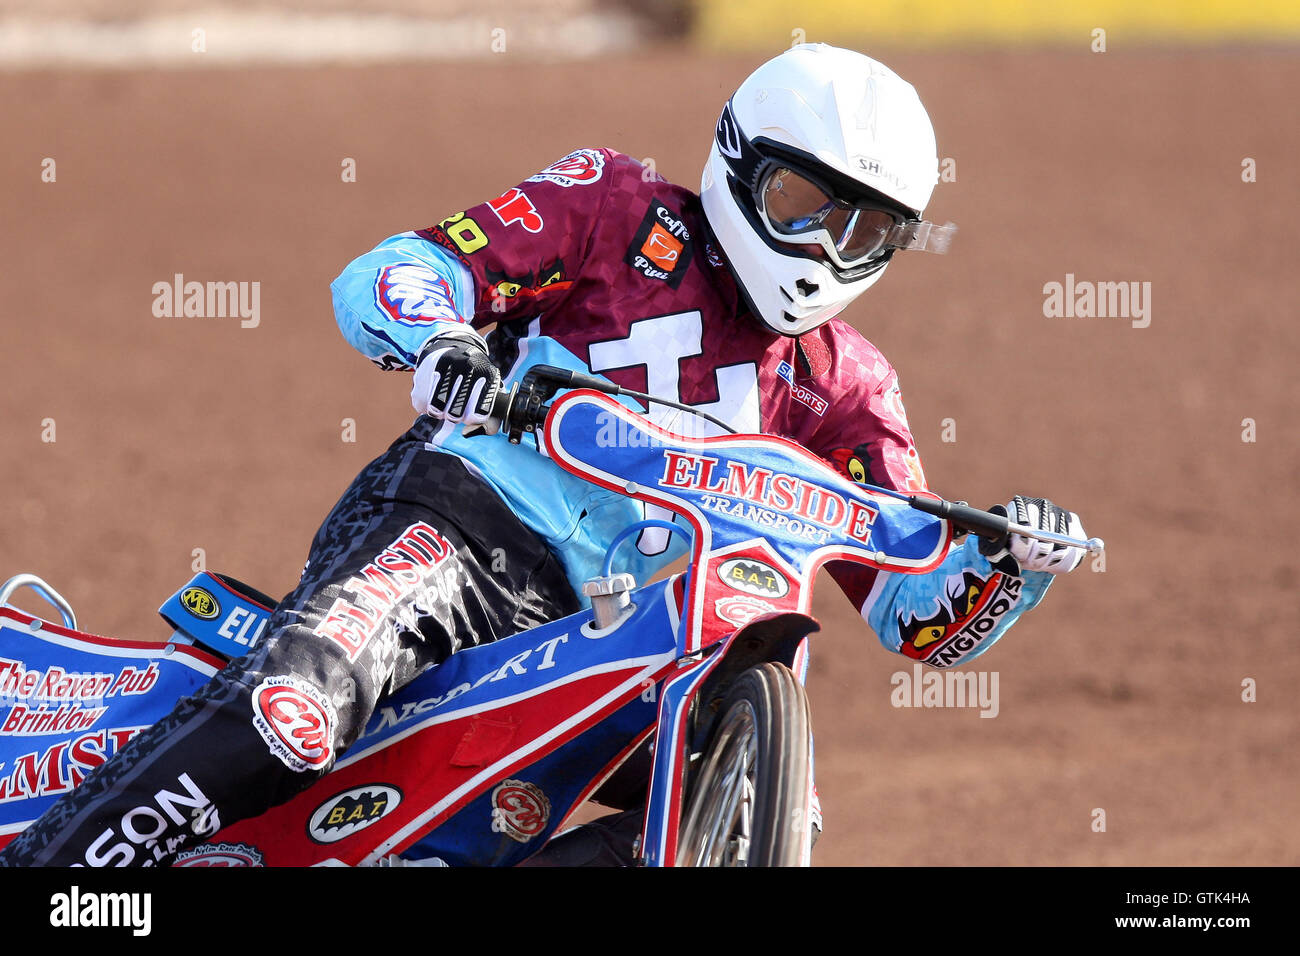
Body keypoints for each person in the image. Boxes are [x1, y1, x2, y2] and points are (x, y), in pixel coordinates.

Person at [0, 43, 1087, 868]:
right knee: (295, 709)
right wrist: (443, 342)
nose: (824, 253)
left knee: (777, 813)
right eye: (805, 206)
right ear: (735, 162)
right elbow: (398, 268)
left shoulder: (848, 381)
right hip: (470, 528)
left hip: (668, 646)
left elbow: (917, 607)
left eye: (866, 233)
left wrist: (1017, 566)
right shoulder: (613, 207)